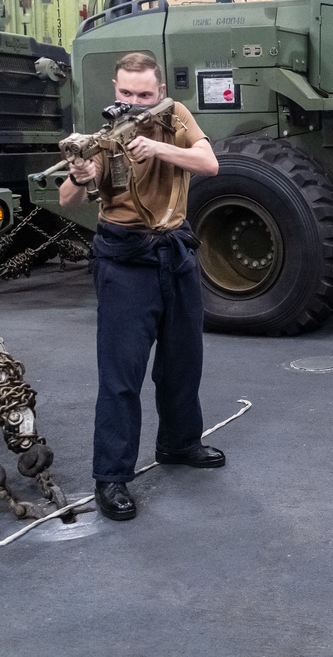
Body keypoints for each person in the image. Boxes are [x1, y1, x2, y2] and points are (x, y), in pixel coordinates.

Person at [59, 53, 223, 521]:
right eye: (126, 94)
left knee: (183, 361)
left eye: (144, 94)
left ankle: (179, 443)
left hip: (174, 253)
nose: (134, 103)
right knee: (121, 376)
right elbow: (68, 199)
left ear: (160, 90)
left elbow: (208, 163)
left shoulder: (174, 117)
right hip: (125, 259)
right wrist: (79, 175)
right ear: (115, 88)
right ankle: (111, 477)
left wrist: (159, 149)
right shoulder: (101, 137)